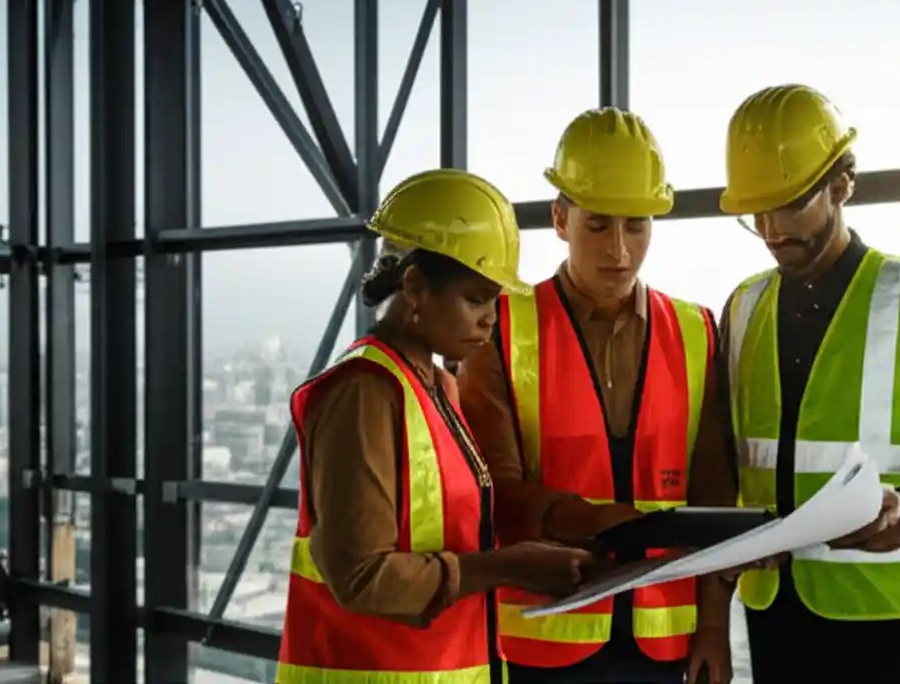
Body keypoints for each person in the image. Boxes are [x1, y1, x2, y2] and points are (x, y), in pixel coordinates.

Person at [685, 84, 900, 682]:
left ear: (842, 184)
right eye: (757, 213)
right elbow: (724, 471)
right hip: (775, 615)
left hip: (886, 621)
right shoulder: (743, 307)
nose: (772, 229)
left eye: (790, 204)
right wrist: (712, 623)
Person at [275, 169, 597, 684]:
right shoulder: (364, 392)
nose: (491, 319)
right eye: (475, 299)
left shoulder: (438, 388)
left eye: (494, 300)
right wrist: (508, 567)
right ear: (415, 288)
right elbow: (361, 576)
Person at [457, 107, 729, 684]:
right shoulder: (500, 328)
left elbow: (714, 492)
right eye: (598, 226)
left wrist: (712, 628)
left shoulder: (698, 331)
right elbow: (492, 491)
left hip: (666, 643)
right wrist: (604, 522)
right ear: (560, 218)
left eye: (637, 227)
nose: (620, 251)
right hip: (540, 639)